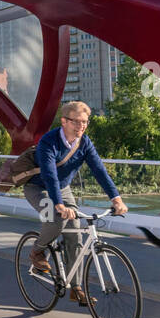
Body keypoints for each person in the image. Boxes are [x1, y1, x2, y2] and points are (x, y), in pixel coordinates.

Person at [23, 100, 128, 305]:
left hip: (63, 188)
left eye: (85, 122)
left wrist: (116, 199)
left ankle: (76, 287)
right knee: (56, 220)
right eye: (77, 122)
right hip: (38, 187)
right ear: (64, 121)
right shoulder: (49, 141)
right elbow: (50, 175)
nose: (81, 126)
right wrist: (59, 205)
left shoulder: (84, 143)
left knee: (75, 235)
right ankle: (37, 250)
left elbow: (100, 171)